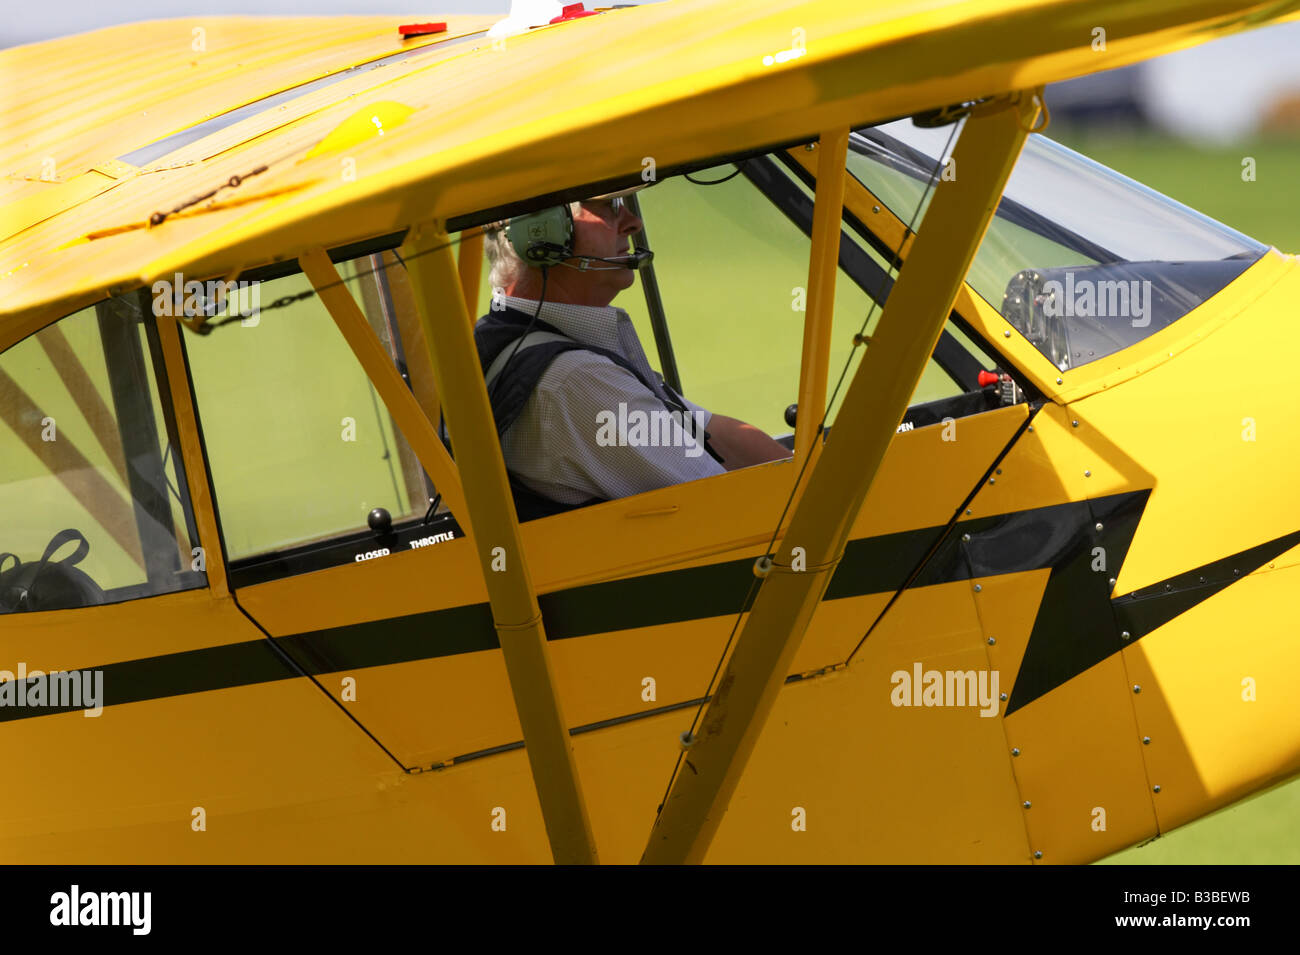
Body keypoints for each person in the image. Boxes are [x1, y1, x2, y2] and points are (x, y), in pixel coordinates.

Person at [476, 190, 789, 520]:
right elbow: (722, 504)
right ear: (540, 232)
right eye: (608, 207)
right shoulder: (576, 380)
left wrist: (800, 474)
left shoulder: (515, 338)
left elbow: (710, 433)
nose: (633, 222)